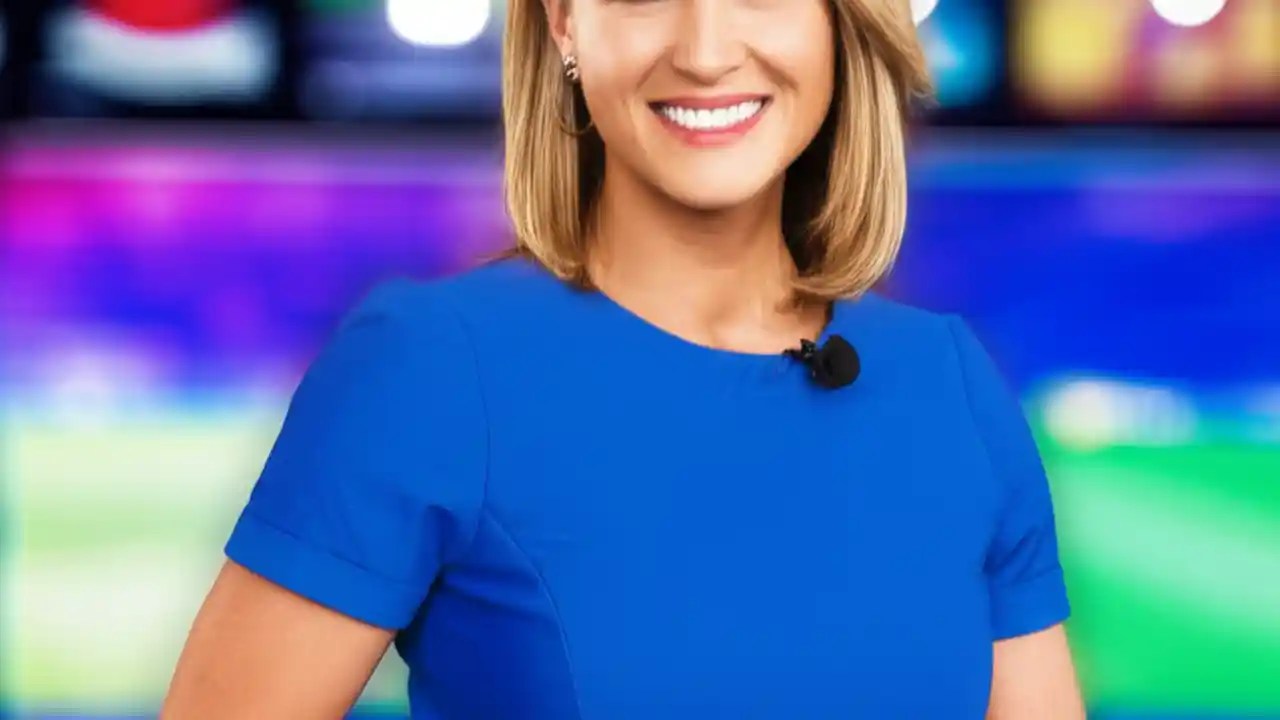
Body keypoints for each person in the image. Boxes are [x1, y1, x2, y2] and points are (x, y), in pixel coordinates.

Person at [162, 0, 1086, 717]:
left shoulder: (951, 386)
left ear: (837, 26)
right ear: (566, 22)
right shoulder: (429, 367)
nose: (705, 50)